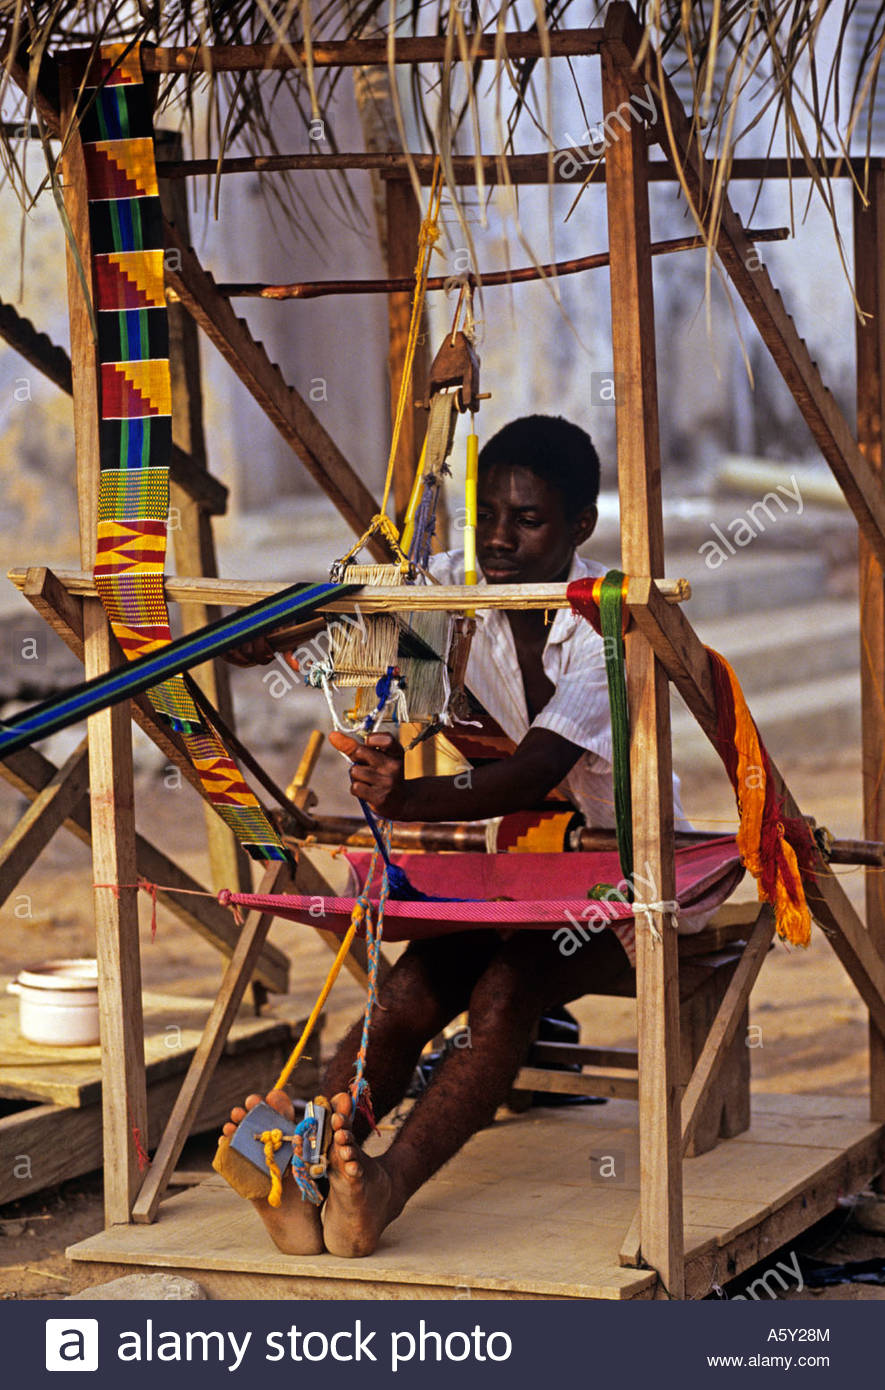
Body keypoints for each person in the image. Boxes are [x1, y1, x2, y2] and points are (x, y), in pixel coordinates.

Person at [222, 414, 687, 1258]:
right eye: (488, 517)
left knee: (504, 995)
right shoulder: (450, 588)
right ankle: (311, 1175)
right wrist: (270, 637)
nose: (499, 539)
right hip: (519, 873)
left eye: (528, 519)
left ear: (581, 525)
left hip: (629, 878)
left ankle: (387, 1187)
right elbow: (352, 606)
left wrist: (403, 798)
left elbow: (527, 775)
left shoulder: (602, 623)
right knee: (404, 997)